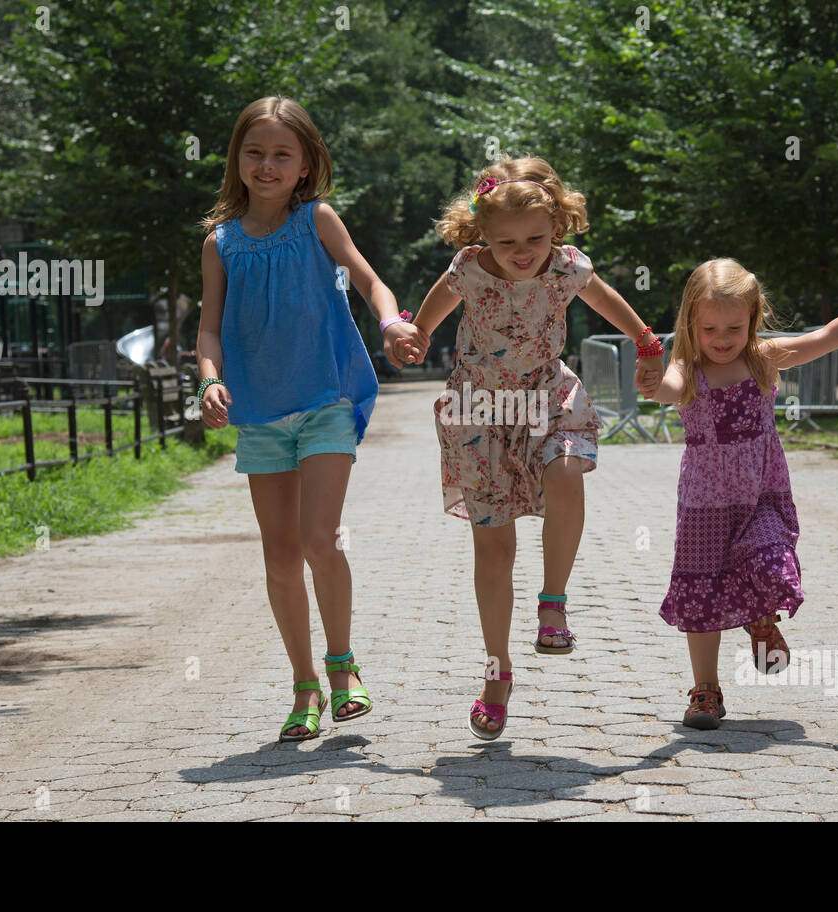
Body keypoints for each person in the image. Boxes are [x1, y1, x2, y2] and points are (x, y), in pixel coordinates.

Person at [407, 156, 665, 740]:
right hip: (480, 412)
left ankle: (553, 604)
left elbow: (606, 300)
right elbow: (430, 312)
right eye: (506, 242)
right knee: (495, 550)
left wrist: (646, 340)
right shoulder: (469, 269)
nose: (522, 252)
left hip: (548, 396)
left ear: (558, 224)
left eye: (536, 238)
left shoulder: (567, 268)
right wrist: (415, 336)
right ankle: (497, 672)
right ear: (481, 234)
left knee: (568, 473)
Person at [194, 96, 427, 742]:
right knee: (280, 557)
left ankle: (342, 663)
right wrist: (210, 382)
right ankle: (304, 685)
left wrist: (391, 321)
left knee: (320, 540)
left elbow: (367, 280)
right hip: (262, 417)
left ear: (304, 166)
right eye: (255, 152)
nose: (266, 165)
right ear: (238, 160)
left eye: (281, 155)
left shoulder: (317, 221)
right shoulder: (221, 244)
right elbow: (208, 330)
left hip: (326, 399)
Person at [641, 258, 838, 729]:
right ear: (690, 324)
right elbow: (668, 388)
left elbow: (823, 339)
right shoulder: (689, 367)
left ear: (752, 319)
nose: (722, 339)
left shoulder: (763, 359)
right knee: (702, 590)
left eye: (734, 328)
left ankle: (762, 619)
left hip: (762, 492)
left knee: (770, 561)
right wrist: (651, 382)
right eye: (709, 329)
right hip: (705, 503)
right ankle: (705, 690)